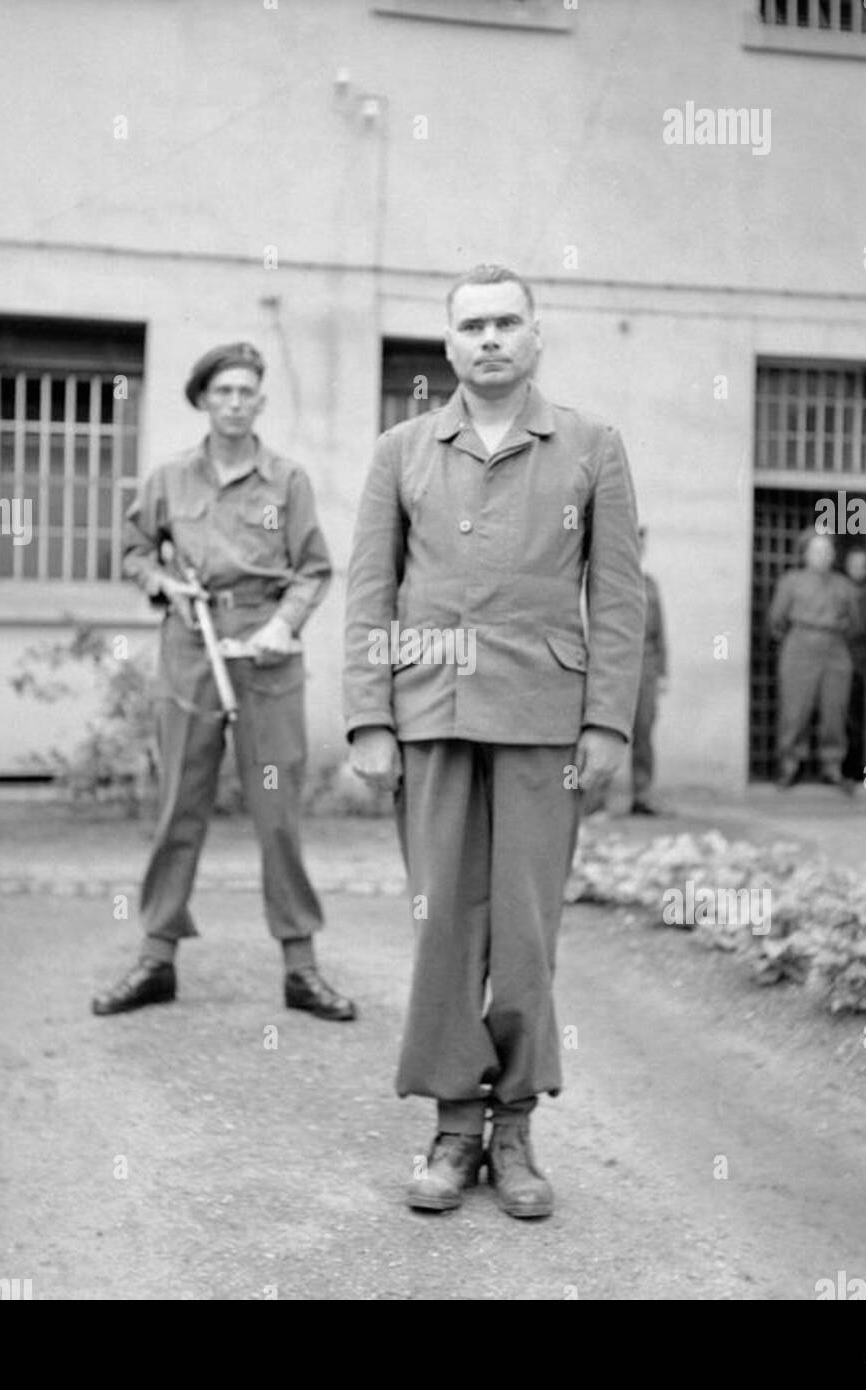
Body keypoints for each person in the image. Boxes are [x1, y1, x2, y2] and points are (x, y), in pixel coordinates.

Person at [343, 265, 644, 1218]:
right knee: (444, 928)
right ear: (448, 346)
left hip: (542, 720)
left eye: (507, 321)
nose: (491, 339)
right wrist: (369, 718)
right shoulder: (401, 451)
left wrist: (604, 719)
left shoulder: (592, 447)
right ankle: (452, 1127)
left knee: (525, 932)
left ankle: (513, 1129)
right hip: (430, 715)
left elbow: (621, 595)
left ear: (536, 336)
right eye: (472, 324)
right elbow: (368, 591)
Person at [91, 342, 356, 1022]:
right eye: (223, 392)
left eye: (247, 392)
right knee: (180, 803)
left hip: (266, 653)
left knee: (278, 816)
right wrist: (163, 584)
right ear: (203, 401)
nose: (235, 403)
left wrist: (285, 623)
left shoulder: (288, 481)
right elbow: (133, 548)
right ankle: (156, 958)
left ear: (260, 402)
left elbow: (314, 568)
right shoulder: (170, 479)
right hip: (192, 648)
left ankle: (301, 967)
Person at [767, 529, 860, 790]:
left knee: (835, 708)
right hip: (800, 644)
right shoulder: (791, 581)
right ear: (806, 553)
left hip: (834, 646)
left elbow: (855, 624)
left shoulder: (843, 585)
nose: (823, 555)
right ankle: (790, 764)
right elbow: (776, 619)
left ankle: (832, 765)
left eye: (827, 550)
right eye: (817, 550)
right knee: (795, 708)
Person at [630, 525, 668, 815]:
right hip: (614, 663)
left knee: (644, 733)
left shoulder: (650, 585)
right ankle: (594, 802)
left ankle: (642, 796)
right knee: (604, 733)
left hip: (646, 664)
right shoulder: (607, 580)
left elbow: (660, 633)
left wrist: (663, 672)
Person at [841, 547, 866, 783]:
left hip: (865, 664)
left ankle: (860, 767)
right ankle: (846, 768)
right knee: (846, 717)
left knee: (861, 718)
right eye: (854, 564)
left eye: (863, 564)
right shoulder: (841, 592)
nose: (859, 569)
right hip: (844, 661)